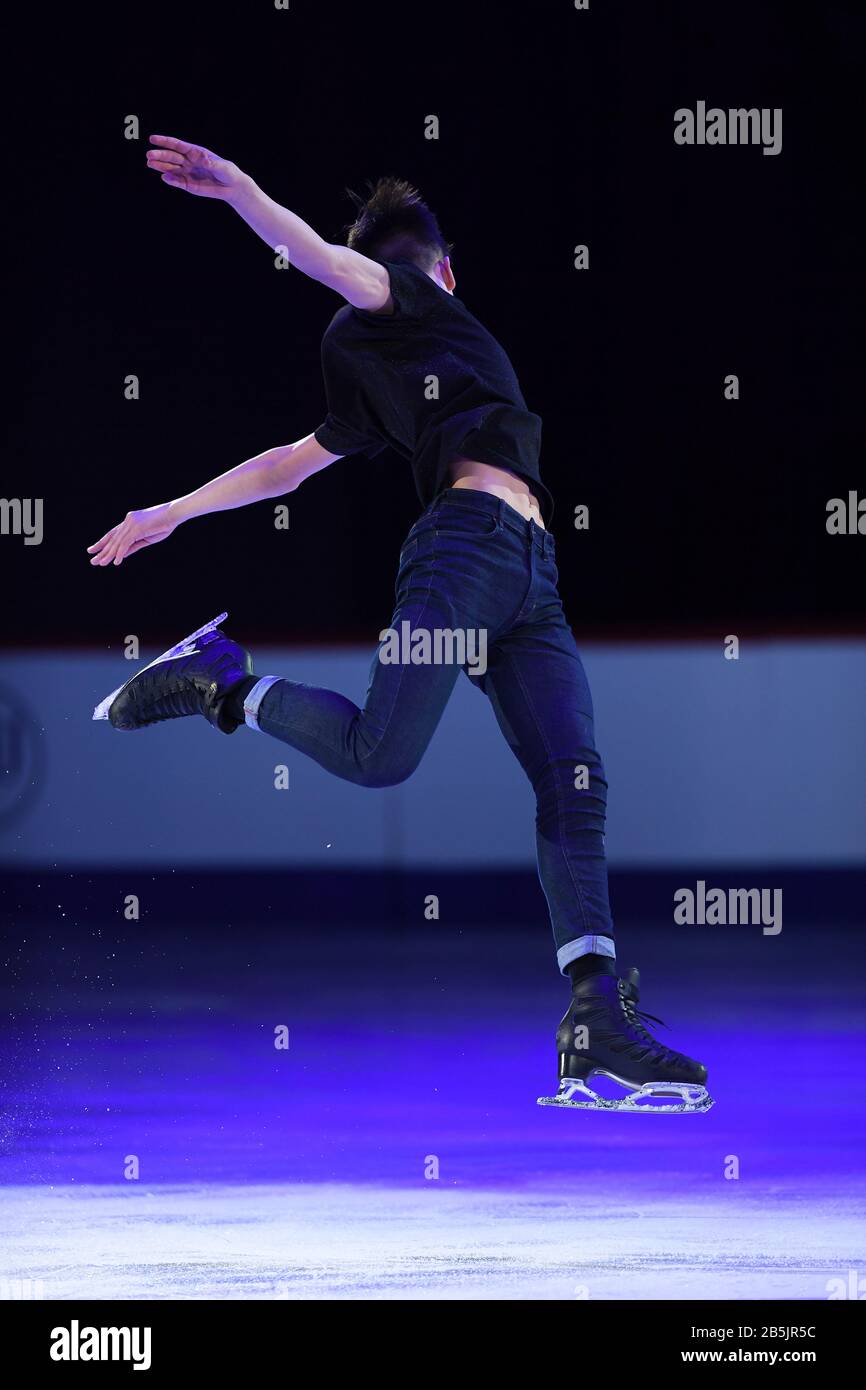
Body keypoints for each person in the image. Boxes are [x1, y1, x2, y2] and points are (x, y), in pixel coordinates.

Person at [89, 135, 711, 1113]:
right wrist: (243, 189)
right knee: (381, 755)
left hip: (528, 581)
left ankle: (593, 1019)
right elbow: (320, 261)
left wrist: (170, 510)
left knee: (574, 780)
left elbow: (290, 463)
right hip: (462, 552)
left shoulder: (398, 355)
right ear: (440, 270)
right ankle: (221, 679)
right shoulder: (412, 298)